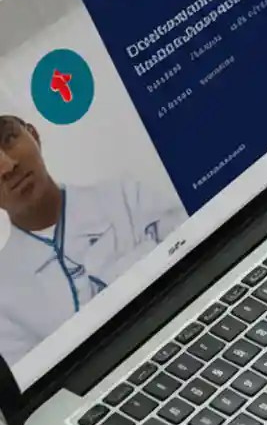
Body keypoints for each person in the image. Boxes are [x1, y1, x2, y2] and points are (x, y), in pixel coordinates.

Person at [0, 114, 186, 364]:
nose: (7, 166)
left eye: (8, 139)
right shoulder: (4, 296)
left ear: (33, 134)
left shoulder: (127, 196)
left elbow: (199, 258)